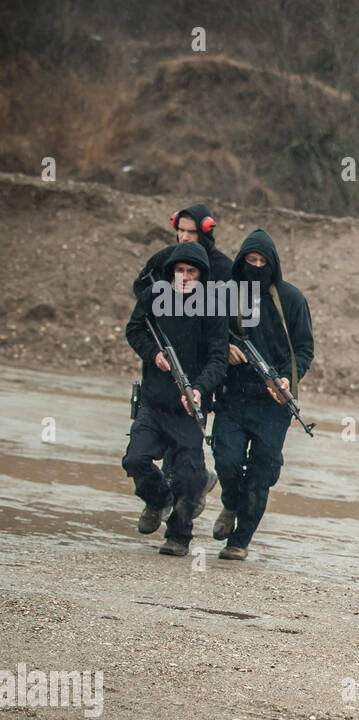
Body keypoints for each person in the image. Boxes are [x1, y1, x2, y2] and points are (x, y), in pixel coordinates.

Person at [210, 229, 314, 560]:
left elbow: (304, 349)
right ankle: (230, 503)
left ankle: (239, 540)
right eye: (250, 261)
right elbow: (207, 336)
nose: (256, 267)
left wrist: (286, 380)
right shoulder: (226, 295)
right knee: (226, 460)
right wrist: (225, 349)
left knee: (261, 472)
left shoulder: (291, 300)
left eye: (262, 262)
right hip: (233, 397)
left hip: (273, 403)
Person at [122, 242, 227, 556]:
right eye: (179, 270)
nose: (184, 276)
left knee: (189, 475)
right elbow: (134, 330)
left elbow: (219, 358)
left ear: (201, 275)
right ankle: (158, 499)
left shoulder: (212, 306)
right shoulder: (154, 296)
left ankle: (179, 536)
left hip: (188, 408)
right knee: (135, 459)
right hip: (153, 403)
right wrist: (153, 354)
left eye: (191, 271)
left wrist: (198, 389)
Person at [133, 202, 235, 297]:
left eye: (191, 232)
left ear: (204, 234)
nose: (185, 237)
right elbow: (140, 285)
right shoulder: (165, 257)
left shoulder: (226, 268)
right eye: (181, 230)